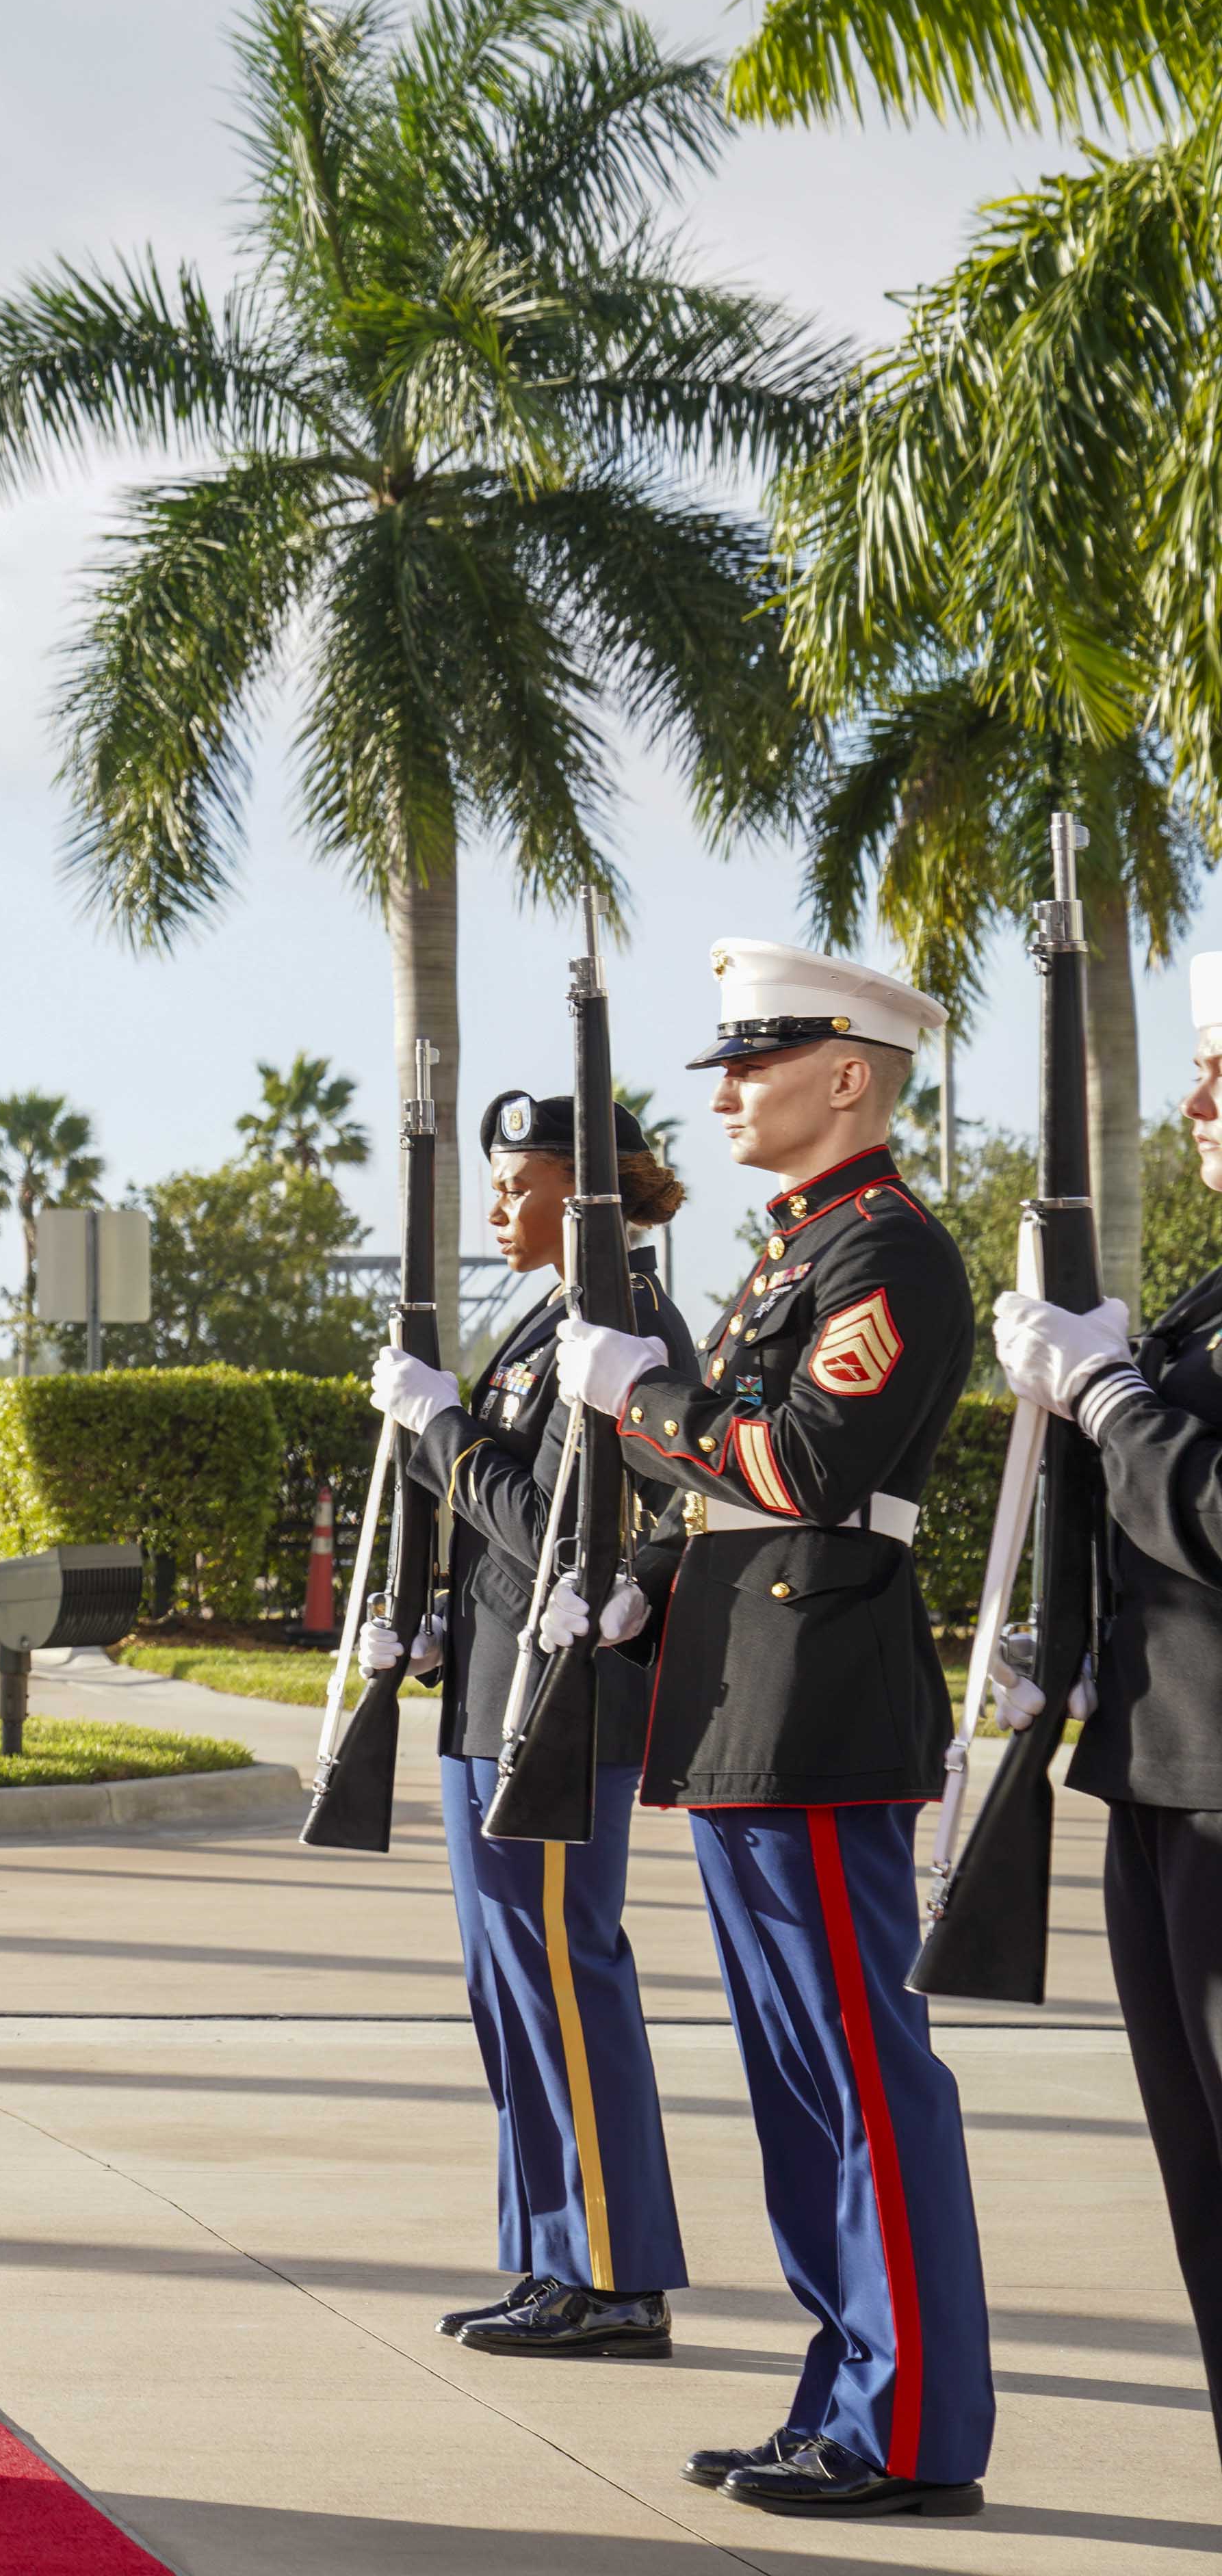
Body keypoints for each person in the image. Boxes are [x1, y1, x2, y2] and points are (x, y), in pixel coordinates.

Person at [551, 941, 993, 2519]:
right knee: (801, 2078)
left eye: (758, 1062)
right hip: (749, 1698)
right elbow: (737, 1483)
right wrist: (642, 1581)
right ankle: (844, 2392)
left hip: (821, 1702)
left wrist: (642, 1400)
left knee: (867, 2076)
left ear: (852, 1075)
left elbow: (802, 1462)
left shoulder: (890, 1253)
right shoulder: (799, 1251)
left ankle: (916, 2423)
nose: (728, 1089)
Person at [368, 1089, 696, 2359]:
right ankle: (559, 2256)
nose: (499, 1207)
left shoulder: (625, 1326)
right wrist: (441, 1618)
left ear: (589, 1192)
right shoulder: (548, 1321)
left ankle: (618, 2279)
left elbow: (564, 1522)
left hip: (561, 1711)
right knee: (510, 1991)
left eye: (521, 1182)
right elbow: (507, 1543)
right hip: (494, 1696)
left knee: (565, 1978)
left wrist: (439, 1425)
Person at [987, 949, 1222, 2468]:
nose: (1199, 1100)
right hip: (1160, 1773)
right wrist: (1079, 1652)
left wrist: (1114, 1400)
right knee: (1201, 2196)